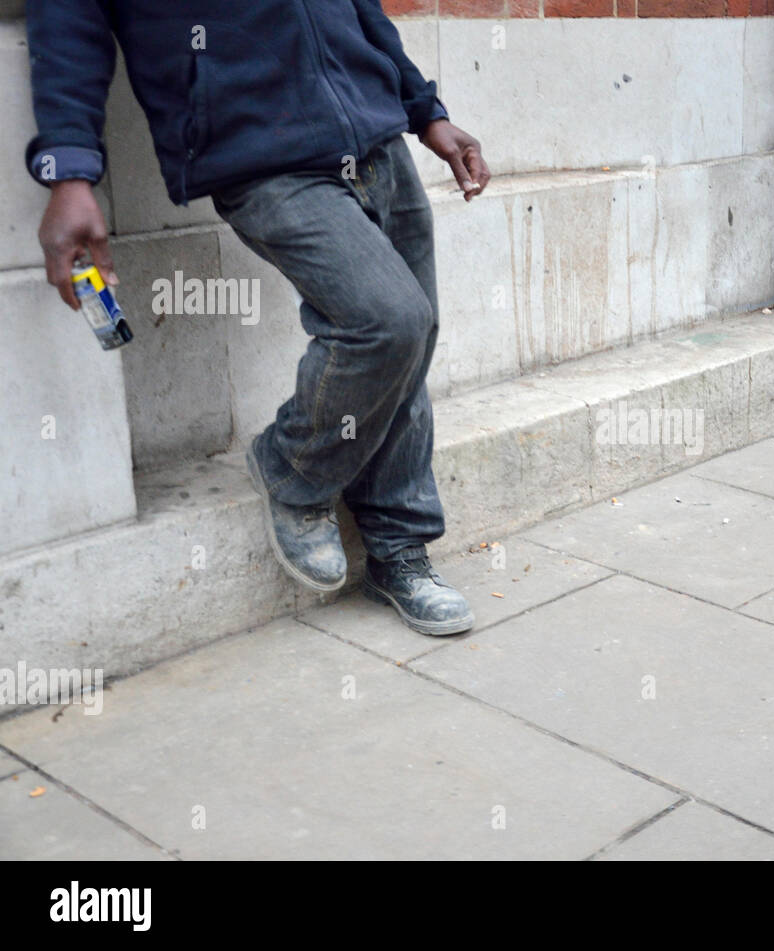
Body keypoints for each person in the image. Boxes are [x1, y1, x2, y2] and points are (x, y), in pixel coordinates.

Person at [27, 2, 490, 637]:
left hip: (374, 133)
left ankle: (399, 547)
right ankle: (292, 469)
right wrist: (69, 171)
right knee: (389, 320)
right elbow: (67, 18)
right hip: (260, 149)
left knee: (413, 340)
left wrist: (425, 111)